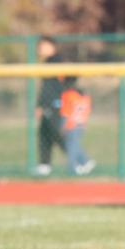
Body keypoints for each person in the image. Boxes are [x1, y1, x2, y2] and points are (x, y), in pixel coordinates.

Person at [33, 36, 95, 176]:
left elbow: (71, 77)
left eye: (44, 45)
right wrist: (40, 105)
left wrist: (66, 91)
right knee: (44, 133)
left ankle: (83, 160)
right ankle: (44, 164)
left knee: (59, 134)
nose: (40, 48)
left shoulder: (57, 60)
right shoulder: (47, 62)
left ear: (52, 46)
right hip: (48, 103)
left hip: (58, 103)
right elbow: (45, 88)